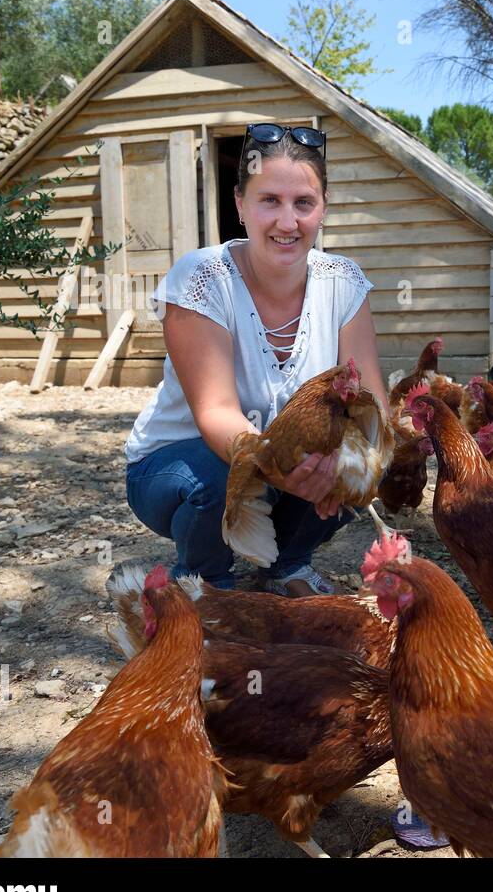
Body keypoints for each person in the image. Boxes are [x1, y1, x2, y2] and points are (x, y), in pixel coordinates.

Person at [124, 123, 388, 596]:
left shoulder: (344, 282)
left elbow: (374, 408)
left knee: (359, 467)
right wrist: (285, 464)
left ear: (323, 208)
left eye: (303, 203)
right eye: (270, 200)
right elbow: (216, 414)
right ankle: (207, 578)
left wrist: (341, 465)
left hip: (280, 467)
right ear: (240, 205)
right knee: (225, 474)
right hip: (178, 462)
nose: (288, 222)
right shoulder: (201, 278)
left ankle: (286, 563)